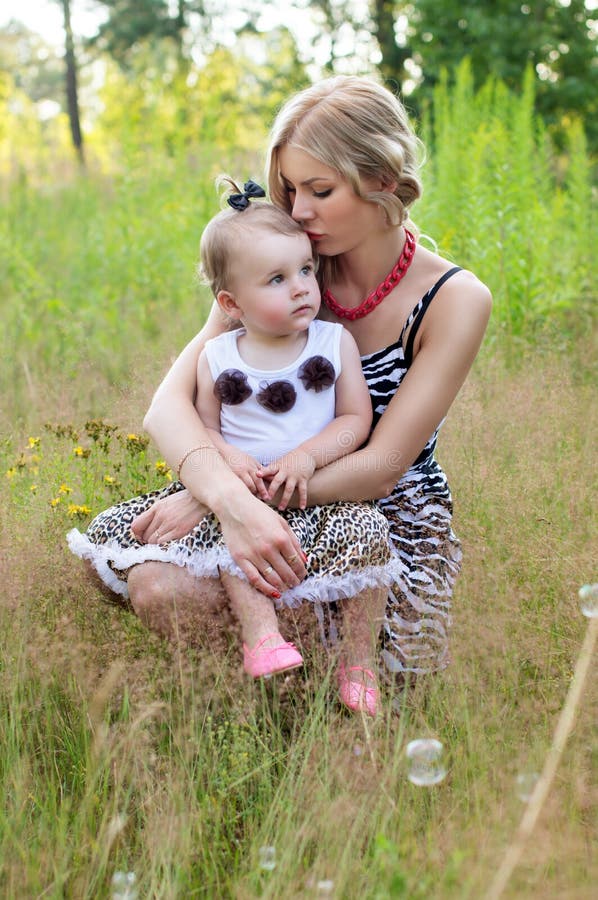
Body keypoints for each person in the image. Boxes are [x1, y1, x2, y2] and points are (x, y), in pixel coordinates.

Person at [74, 75, 492, 686]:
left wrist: (224, 498)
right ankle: (259, 701)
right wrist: (225, 497)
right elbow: (168, 407)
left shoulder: (452, 299)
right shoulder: (284, 267)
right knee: (153, 580)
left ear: (380, 178)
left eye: (319, 190)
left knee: (372, 691)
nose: (297, 211)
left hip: (380, 515)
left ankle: (314, 703)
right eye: (290, 189)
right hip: (258, 492)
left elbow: (381, 465)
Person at [69, 178, 404, 716]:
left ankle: (358, 661)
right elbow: (204, 430)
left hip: (317, 494)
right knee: (230, 550)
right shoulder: (218, 355)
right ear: (231, 302)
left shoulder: (331, 341)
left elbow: (354, 419)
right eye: (277, 279)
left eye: (305, 270)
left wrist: (308, 455)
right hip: (243, 490)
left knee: (370, 535)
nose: (300, 287)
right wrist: (228, 462)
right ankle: (261, 640)